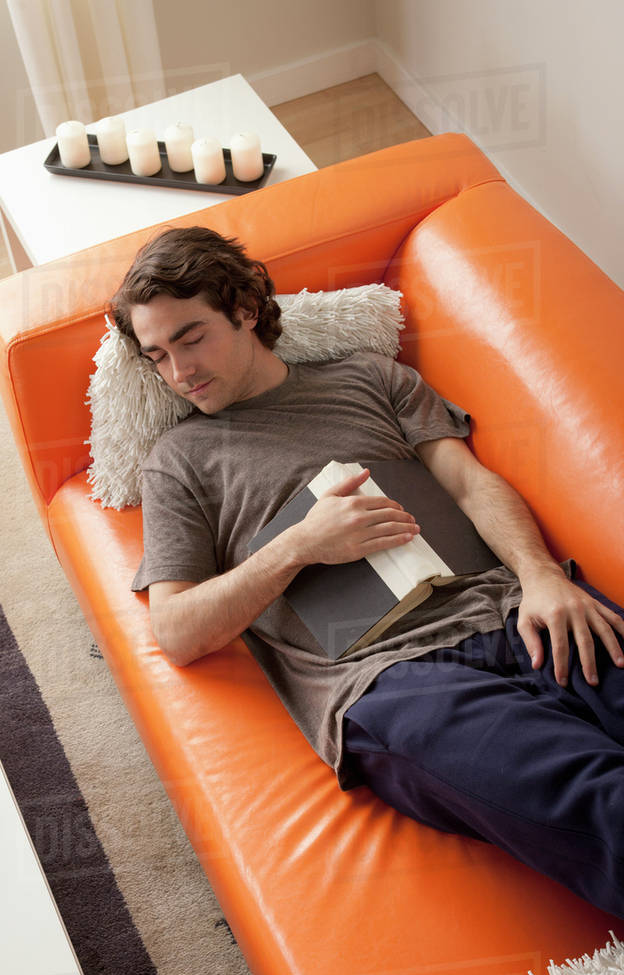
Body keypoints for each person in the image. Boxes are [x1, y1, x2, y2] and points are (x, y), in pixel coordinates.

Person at [111, 225, 624, 918]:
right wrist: (297, 545)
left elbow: (472, 485)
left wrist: (542, 578)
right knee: (603, 799)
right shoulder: (178, 459)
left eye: (191, 338)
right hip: (391, 681)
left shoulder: (370, 379)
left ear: (245, 310)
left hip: (516, 611)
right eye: (157, 356)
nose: (179, 372)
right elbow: (176, 629)